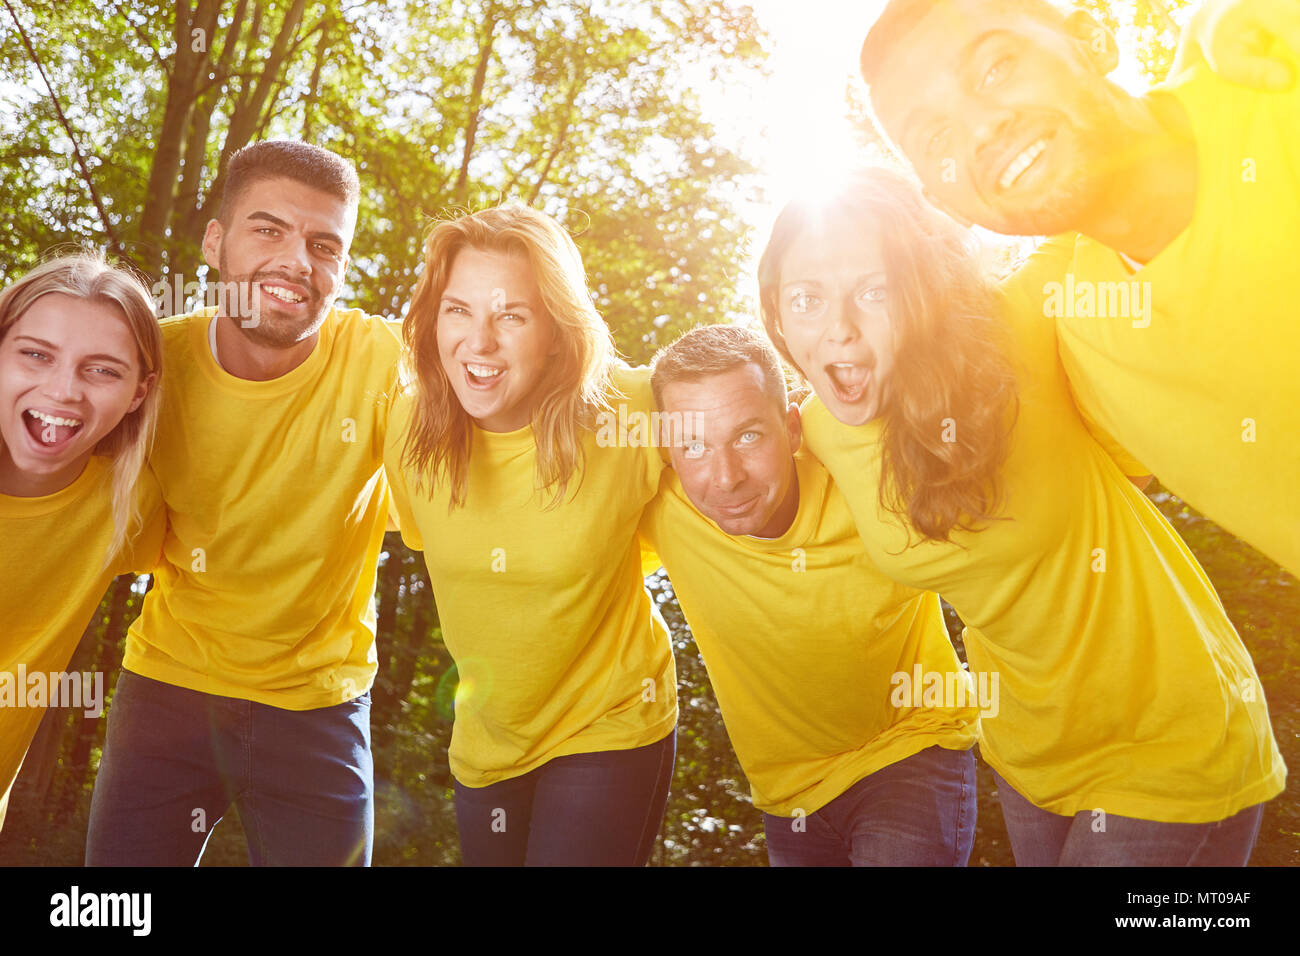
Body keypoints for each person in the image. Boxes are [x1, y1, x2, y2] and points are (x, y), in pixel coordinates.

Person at [757, 168, 1285, 865]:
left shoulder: (1011, 330)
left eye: (875, 291)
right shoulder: (818, 432)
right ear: (778, 314)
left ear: (922, 293)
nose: (839, 331)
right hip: (1031, 756)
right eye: (807, 300)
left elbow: (1100, 194)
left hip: (1171, 733)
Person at [858, 0, 1300, 577]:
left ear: (1093, 40)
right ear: (943, 203)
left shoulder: (1275, 70)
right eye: (937, 138)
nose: (985, 128)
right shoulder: (1084, 349)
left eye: (995, 69)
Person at [86, 141, 403, 866]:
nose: (298, 261)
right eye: (269, 229)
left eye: (325, 245)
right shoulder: (153, 367)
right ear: (215, 242)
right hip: (170, 688)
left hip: (320, 705)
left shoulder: (383, 361)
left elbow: (521, 376)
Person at [385, 203, 676, 866]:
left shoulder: (631, 410)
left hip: (608, 724)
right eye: (458, 310)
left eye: (510, 316)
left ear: (556, 331)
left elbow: (745, 447)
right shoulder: (408, 432)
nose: (478, 343)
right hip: (487, 744)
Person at [640, 323, 980, 866]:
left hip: (908, 754)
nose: (725, 477)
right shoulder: (666, 509)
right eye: (695, 446)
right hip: (788, 798)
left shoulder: (867, 484)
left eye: (748, 436)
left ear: (793, 429)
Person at [0, 252, 163, 830]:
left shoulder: (130, 506)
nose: (64, 389)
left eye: (102, 370)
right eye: (36, 354)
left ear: (138, 395)